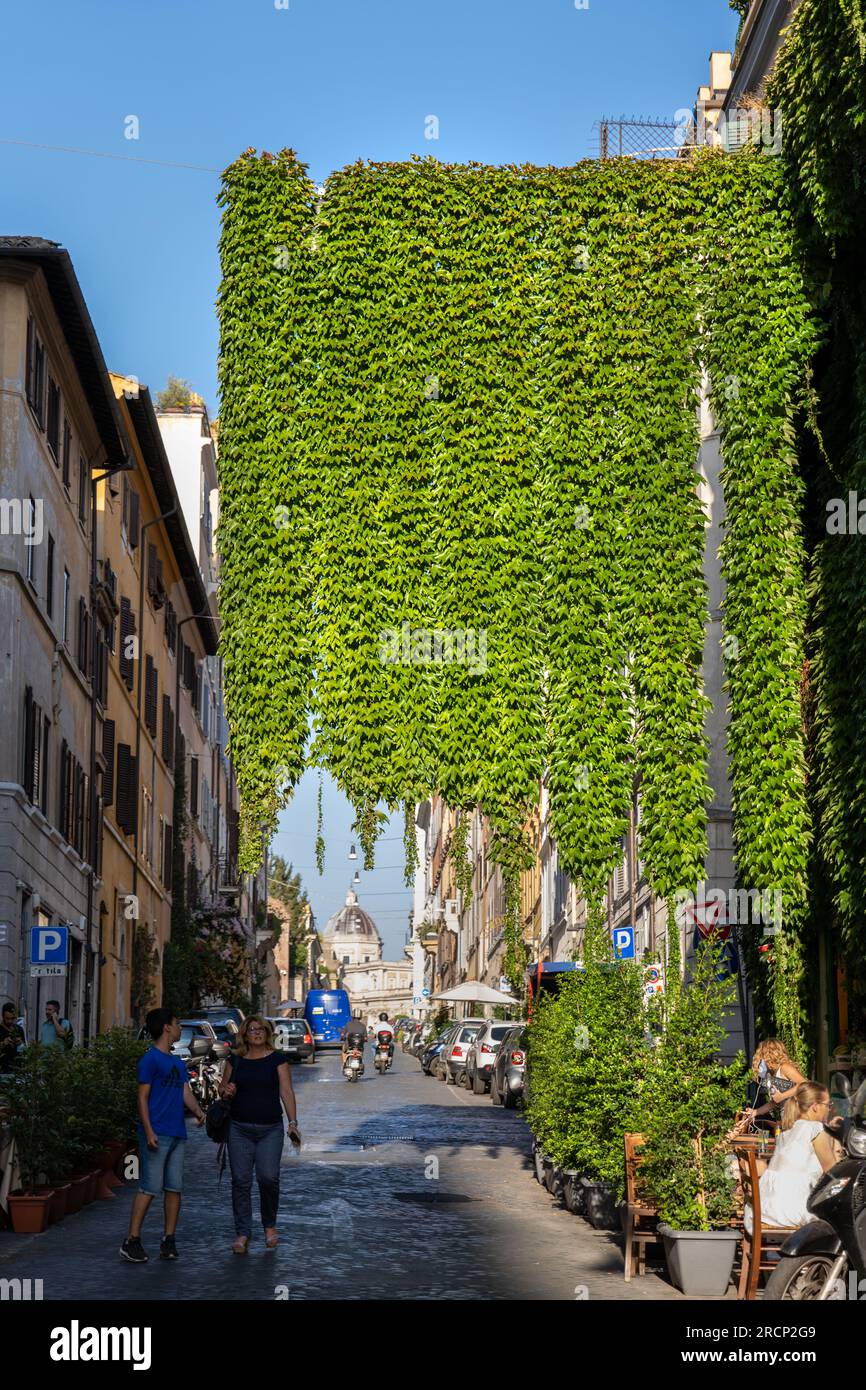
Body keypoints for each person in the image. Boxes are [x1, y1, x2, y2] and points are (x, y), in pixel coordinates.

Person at [120, 1007, 205, 1264]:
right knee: (149, 1187)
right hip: (157, 1132)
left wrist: (200, 1112)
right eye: (177, 1023)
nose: (180, 1028)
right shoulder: (150, 1060)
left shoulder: (176, 1062)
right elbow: (142, 1098)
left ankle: (169, 1239)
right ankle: (131, 1240)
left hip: (177, 1132)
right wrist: (148, 1130)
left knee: (174, 1188)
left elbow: (184, 1092)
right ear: (167, 1027)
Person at [219, 1015, 300, 1254]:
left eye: (261, 1029)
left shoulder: (277, 1060)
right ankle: (243, 1232)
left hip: (270, 1129)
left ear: (267, 1033)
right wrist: (227, 1091)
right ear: (244, 1034)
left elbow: (286, 1091)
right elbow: (222, 1089)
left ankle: (269, 1225)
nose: (257, 1032)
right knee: (240, 1182)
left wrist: (293, 1122)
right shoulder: (236, 1060)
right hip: (239, 1128)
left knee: (268, 1178)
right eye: (252, 1029)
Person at [745, 1081, 839, 1233]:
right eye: (828, 1105)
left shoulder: (787, 1131)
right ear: (815, 1106)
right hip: (791, 1209)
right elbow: (832, 1171)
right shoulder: (814, 1128)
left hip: (764, 1208)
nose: (830, 1109)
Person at [738, 1039, 806, 1129]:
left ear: (769, 1054)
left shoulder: (785, 1067)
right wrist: (755, 1112)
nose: (759, 1058)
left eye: (761, 1055)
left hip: (798, 1116)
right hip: (787, 1118)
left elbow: (804, 1084)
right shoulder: (770, 1076)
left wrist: (782, 1096)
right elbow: (775, 1102)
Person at [0, 1003, 25, 1073]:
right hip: (2, 1070)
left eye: (12, 1018)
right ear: (3, 1017)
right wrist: (3, 1044)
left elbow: (24, 1050)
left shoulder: (19, 1029)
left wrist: (21, 1044)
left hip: (17, 1070)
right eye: (7, 1018)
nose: (10, 1021)